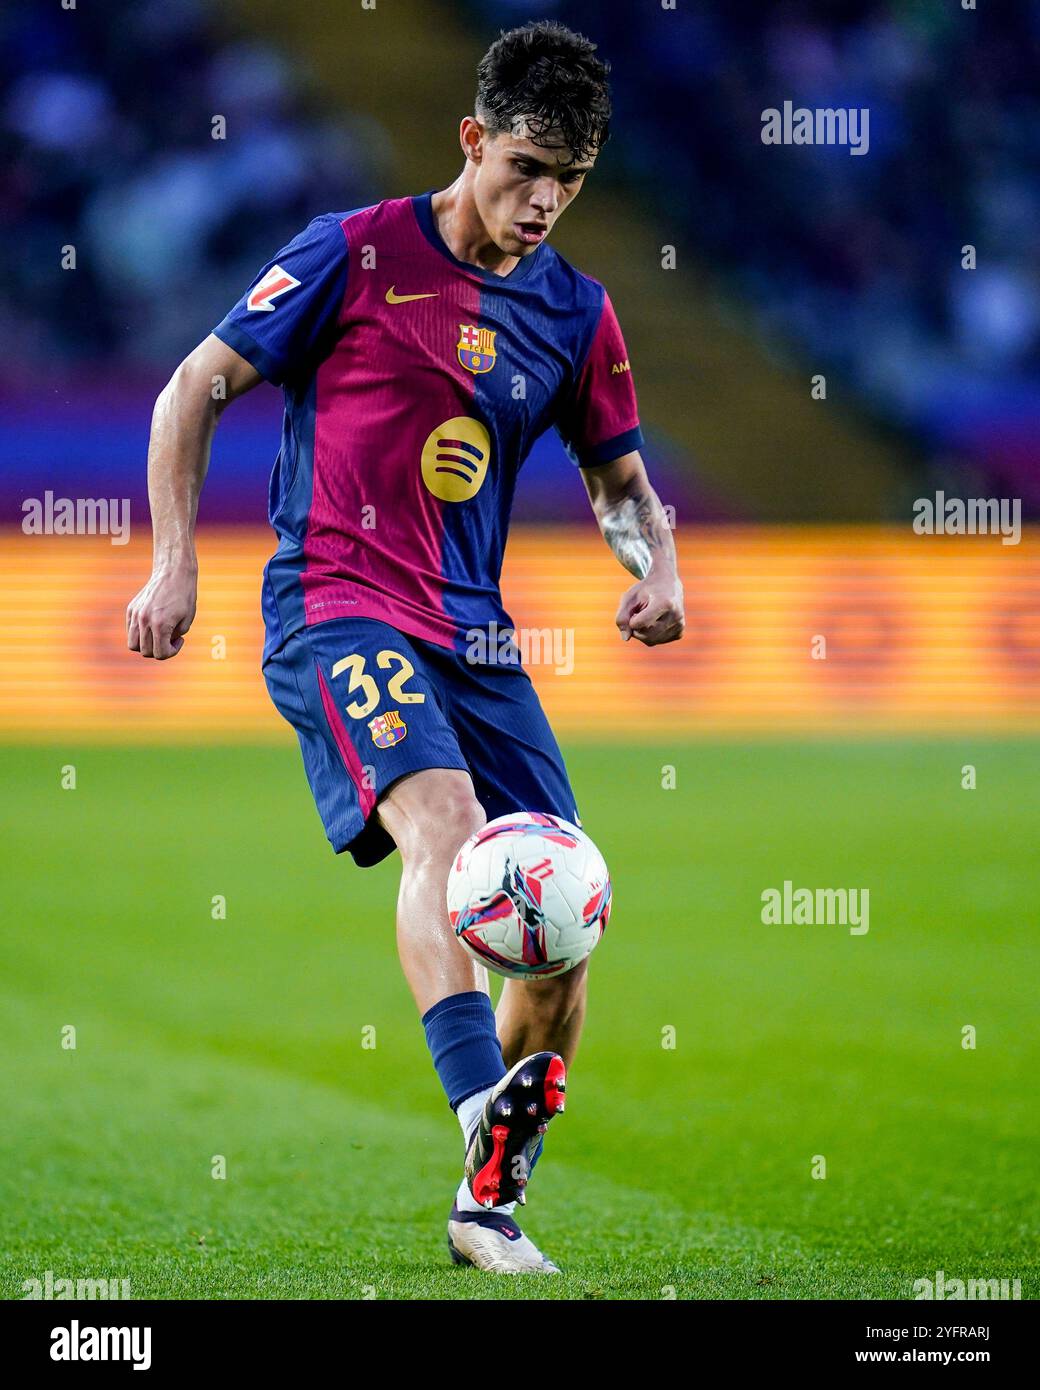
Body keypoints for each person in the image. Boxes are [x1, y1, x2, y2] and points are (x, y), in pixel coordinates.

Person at [126, 19, 684, 1274]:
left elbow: (623, 481)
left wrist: (658, 567)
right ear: (472, 139)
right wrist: (172, 560)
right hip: (337, 600)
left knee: (562, 913)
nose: (543, 201)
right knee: (440, 820)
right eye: (525, 167)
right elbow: (191, 388)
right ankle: (483, 1099)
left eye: (571, 182)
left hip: (475, 636)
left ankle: (487, 1201)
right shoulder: (356, 252)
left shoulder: (575, 313)